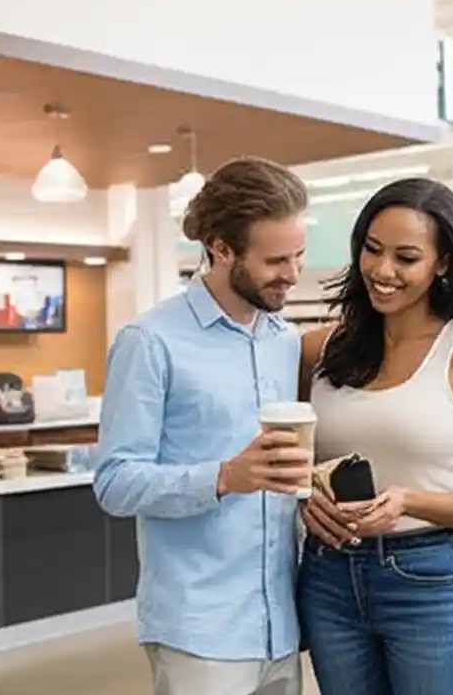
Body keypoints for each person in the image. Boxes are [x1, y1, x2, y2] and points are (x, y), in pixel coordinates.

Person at [93, 157, 313, 695]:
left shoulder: (284, 341)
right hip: (200, 629)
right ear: (221, 248)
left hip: (280, 625)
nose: (292, 274)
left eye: (298, 256)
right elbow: (115, 482)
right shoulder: (151, 341)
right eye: (275, 260)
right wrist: (222, 477)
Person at [296, 178, 453, 695]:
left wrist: (407, 501)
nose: (382, 271)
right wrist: (305, 497)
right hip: (328, 577)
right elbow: (285, 461)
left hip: (431, 581)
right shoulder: (317, 351)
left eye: (406, 257)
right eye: (371, 250)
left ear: (442, 263)